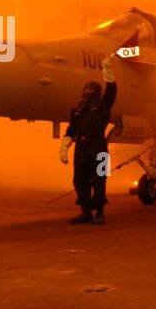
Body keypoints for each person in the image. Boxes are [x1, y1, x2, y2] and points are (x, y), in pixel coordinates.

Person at [59, 56, 117, 224]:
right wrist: (64, 147)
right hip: (82, 149)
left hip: (99, 147)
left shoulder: (103, 106)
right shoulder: (77, 110)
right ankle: (86, 212)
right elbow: (71, 129)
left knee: (100, 181)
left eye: (90, 90)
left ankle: (99, 212)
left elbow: (112, 90)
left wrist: (107, 70)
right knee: (79, 181)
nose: (87, 92)